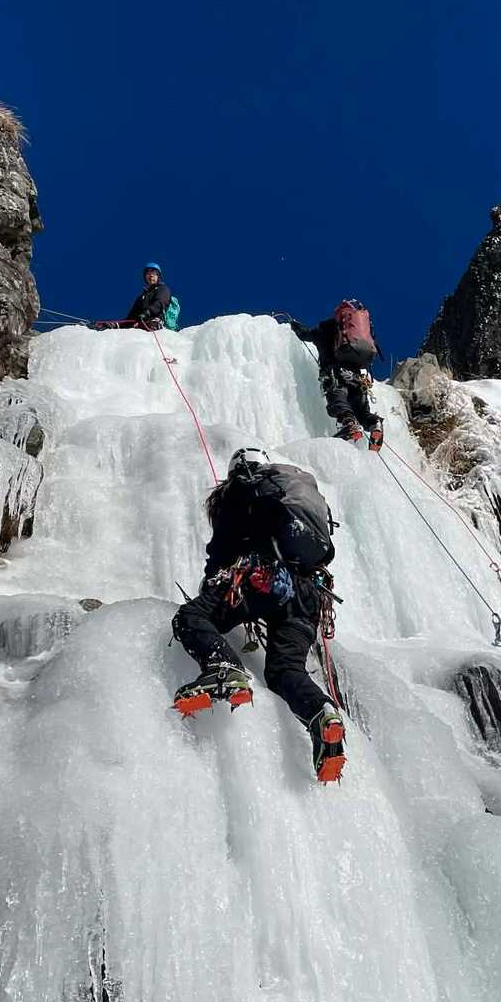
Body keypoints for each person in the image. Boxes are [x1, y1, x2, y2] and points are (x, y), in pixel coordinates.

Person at [170, 448, 347, 782]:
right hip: (309, 597)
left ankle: (224, 668)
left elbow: (220, 553)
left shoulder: (241, 489)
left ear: (237, 469)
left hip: (260, 580)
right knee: (284, 670)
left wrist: (213, 587)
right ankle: (320, 712)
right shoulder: (293, 493)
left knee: (192, 617)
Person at [290, 301, 384, 450]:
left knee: (338, 400)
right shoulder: (354, 336)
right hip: (358, 378)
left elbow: (304, 334)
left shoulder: (325, 328)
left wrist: (293, 325)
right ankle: (374, 424)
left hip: (336, 374)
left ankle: (349, 425)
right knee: (361, 410)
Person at [126, 263, 172, 328]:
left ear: (158, 276)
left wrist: (147, 313)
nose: (151, 275)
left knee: (150, 325)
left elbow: (160, 303)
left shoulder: (163, 289)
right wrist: (116, 325)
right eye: (148, 273)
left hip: (155, 322)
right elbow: (130, 317)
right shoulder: (141, 298)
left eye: (154, 273)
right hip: (140, 323)